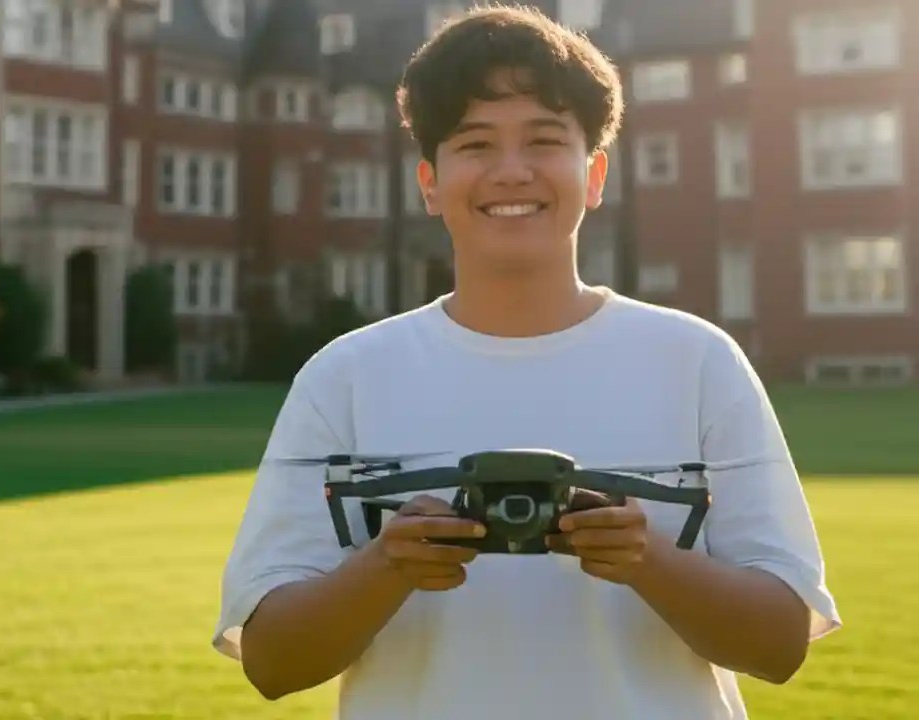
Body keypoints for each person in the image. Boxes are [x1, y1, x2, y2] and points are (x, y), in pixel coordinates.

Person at [212, 5, 841, 719]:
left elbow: (781, 645)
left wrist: (650, 560)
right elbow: (270, 662)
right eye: (475, 145)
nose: (511, 172)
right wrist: (386, 565)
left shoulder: (697, 363)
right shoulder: (346, 376)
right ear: (428, 183)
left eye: (545, 140)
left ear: (595, 174)